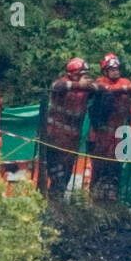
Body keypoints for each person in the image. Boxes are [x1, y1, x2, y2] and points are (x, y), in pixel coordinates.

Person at [87, 53, 131, 201]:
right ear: (105, 71)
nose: (115, 71)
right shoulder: (100, 82)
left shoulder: (125, 81)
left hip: (118, 133)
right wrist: (124, 89)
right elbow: (101, 89)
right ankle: (95, 193)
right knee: (99, 164)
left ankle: (112, 192)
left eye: (117, 68)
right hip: (100, 132)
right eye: (112, 69)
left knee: (115, 164)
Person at [43, 58, 95, 199]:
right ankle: (52, 204)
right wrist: (78, 85)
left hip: (72, 141)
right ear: (73, 74)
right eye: (82, 73)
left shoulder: (86, 90)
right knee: (56, 175)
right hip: (55, 138)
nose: (85, 77)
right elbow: (56, 86)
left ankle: (58, 205)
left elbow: (100, 89)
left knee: (66, 174)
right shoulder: (63, 84)